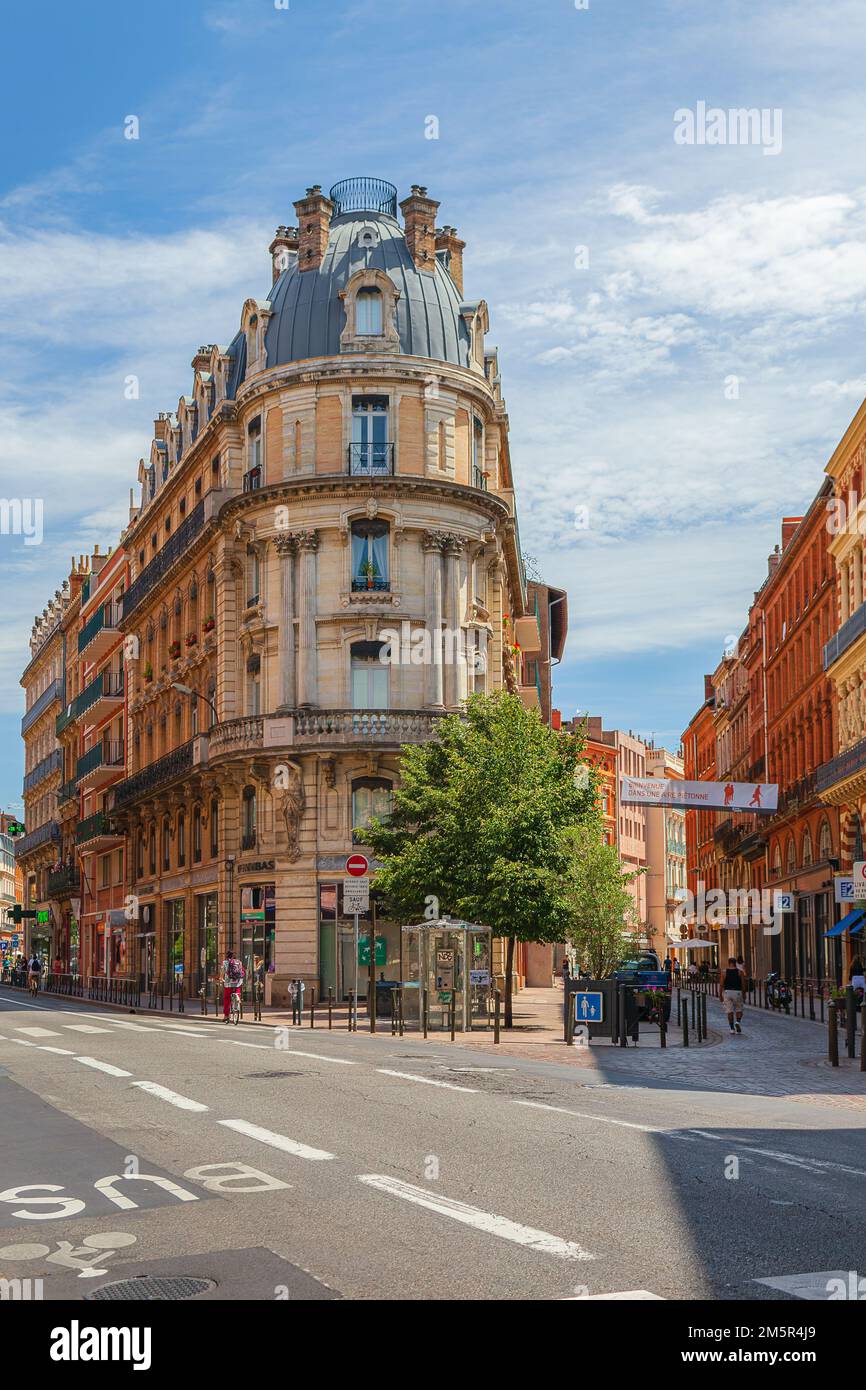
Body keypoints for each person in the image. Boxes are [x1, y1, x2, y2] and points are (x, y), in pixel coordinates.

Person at [720, 955, 745, 1034]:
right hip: (737, 992)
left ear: (729, 963)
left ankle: (732, 1029)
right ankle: (737, 1022)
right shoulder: (740, 972)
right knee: (739, 1009)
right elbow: (743, 984)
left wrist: (720, 994)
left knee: (729, 1011)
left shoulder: (724, 972)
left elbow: (721, 984)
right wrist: (744, 994)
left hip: (727, 992)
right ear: (735, 963)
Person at [221, 950, 245, 1022]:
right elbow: (243, 971)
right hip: (238, 982)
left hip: (228, 983)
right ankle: (237, 998)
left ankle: (226, 1015)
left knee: (227, 998)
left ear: (227, 956)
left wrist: (221, 978)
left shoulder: (225, 962)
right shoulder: (239, 962)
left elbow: (222, 972)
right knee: (237, 992)